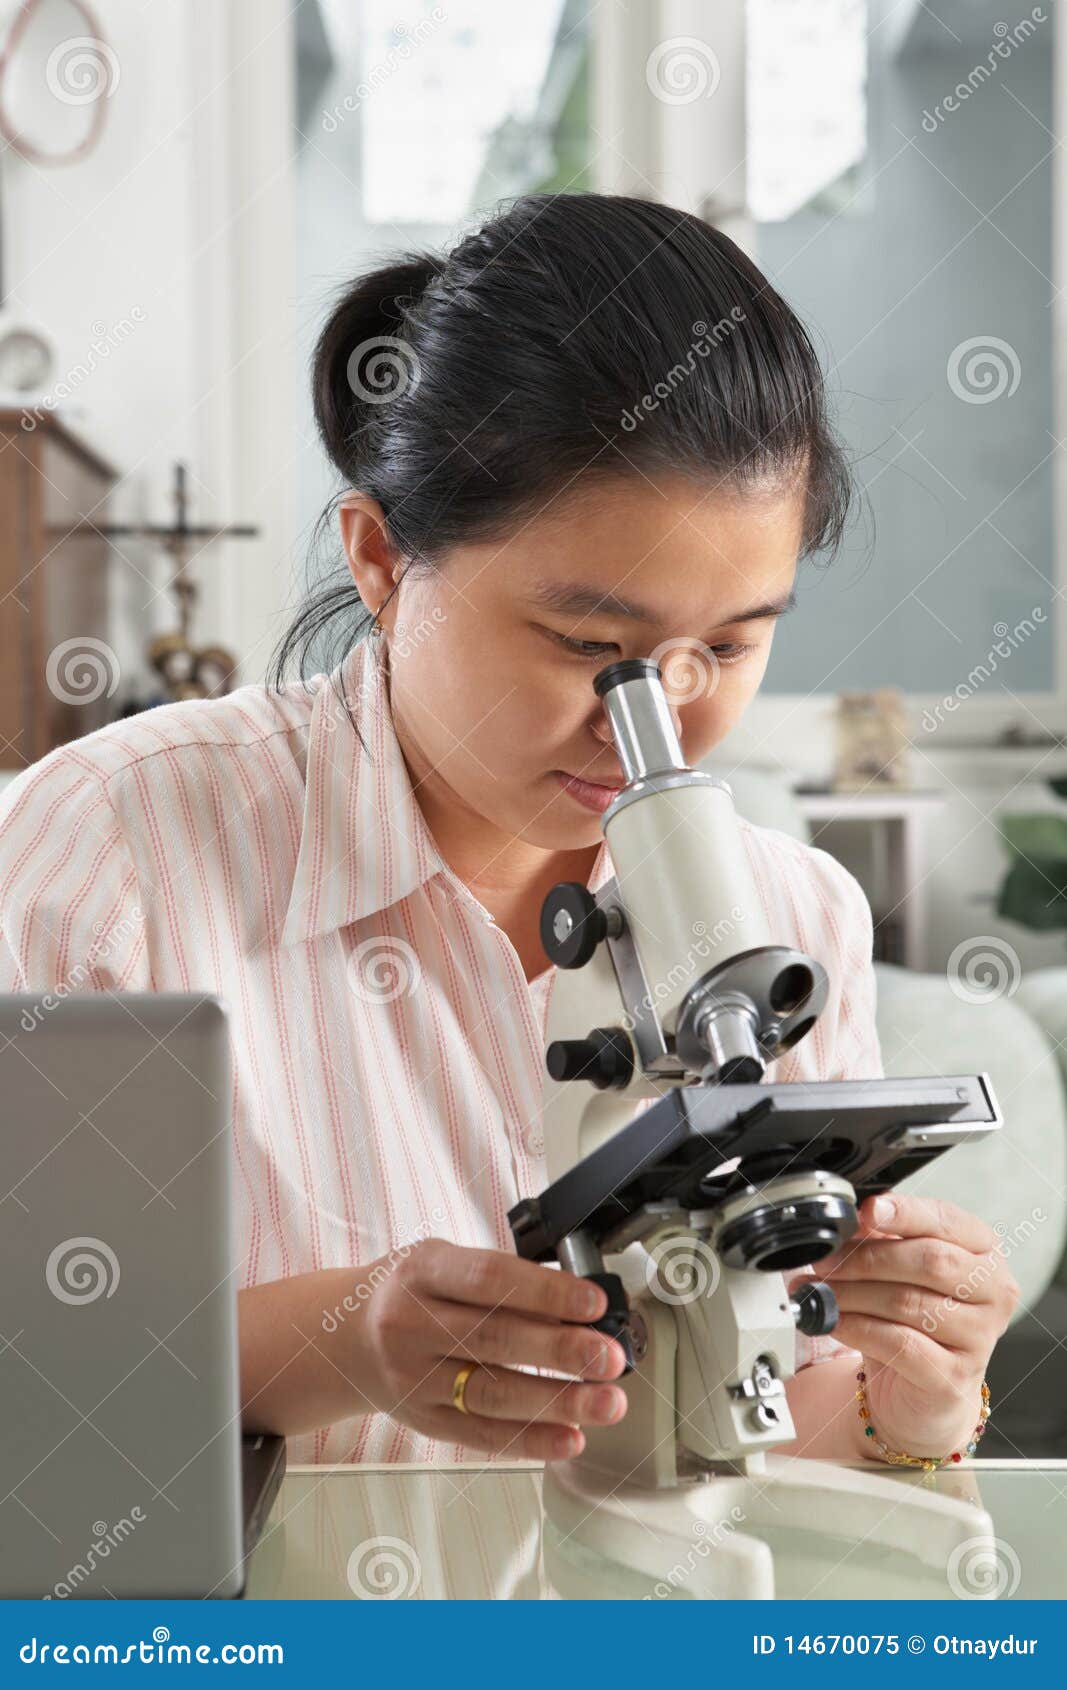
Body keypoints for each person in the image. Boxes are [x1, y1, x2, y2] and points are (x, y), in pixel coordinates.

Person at [0, 193, 1017, 1471]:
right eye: (591, 646)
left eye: (731, 642)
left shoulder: (791, 920)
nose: (657, 716)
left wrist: (911, 1395)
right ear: (379, 559)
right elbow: (35, 1387)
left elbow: (759, 1436)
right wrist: (335, 1342)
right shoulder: (102, 859)